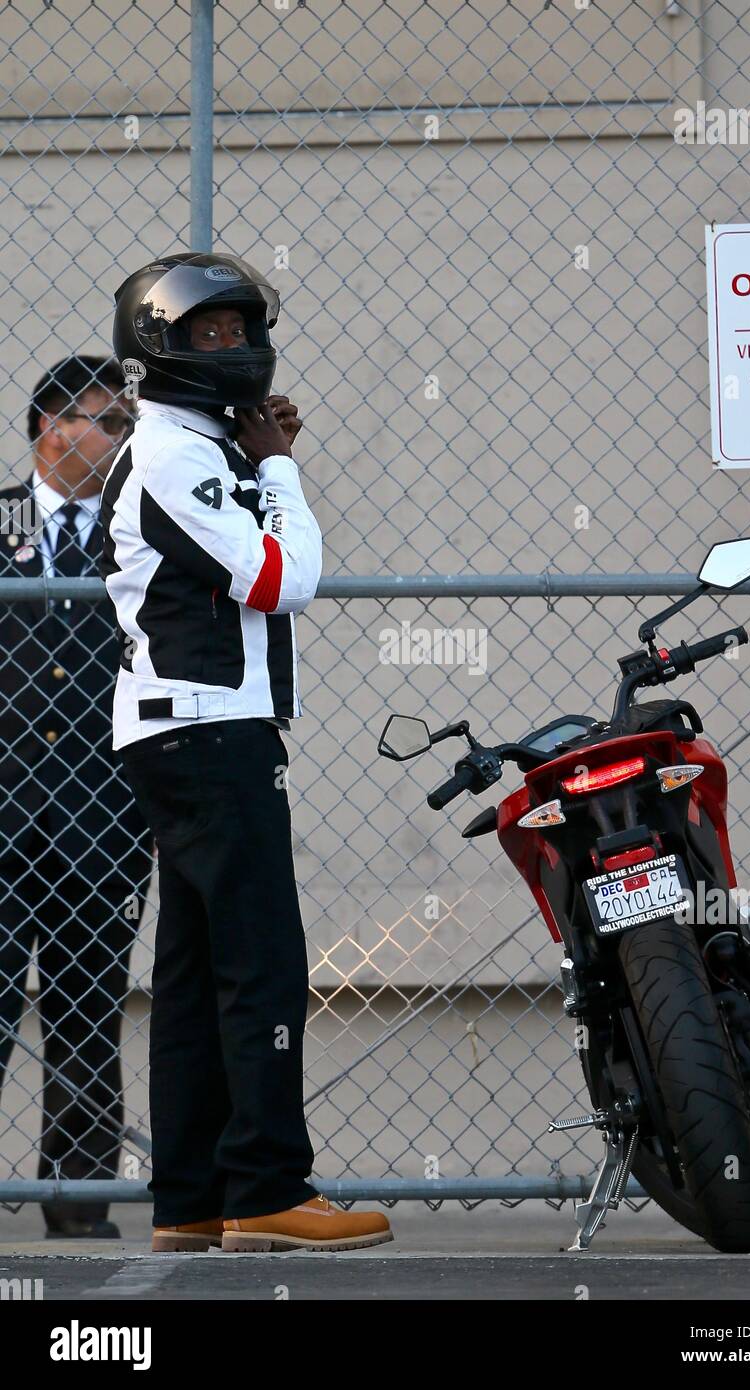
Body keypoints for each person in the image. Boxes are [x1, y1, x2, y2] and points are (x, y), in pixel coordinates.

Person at [102, 251, 392, 1252]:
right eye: (209, 333)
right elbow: (281, 579)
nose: (233, 346)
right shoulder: (175, 456)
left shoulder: (193, 444)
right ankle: (267, 1188)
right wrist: (277, 468)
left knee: (193, 973)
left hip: (189, 730)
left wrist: (255, 454)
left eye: (240, 329)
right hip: (209, 732)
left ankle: (190, 1201)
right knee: (262, 959)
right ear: (159, 345)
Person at [0, 355, 154, 1238]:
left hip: (102, 817)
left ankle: (78, 1203)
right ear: (51, 427)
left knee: (88, 1012)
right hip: (5, 812)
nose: (124, 438)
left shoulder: (137, 531)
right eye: (110, 421)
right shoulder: (3, 520)